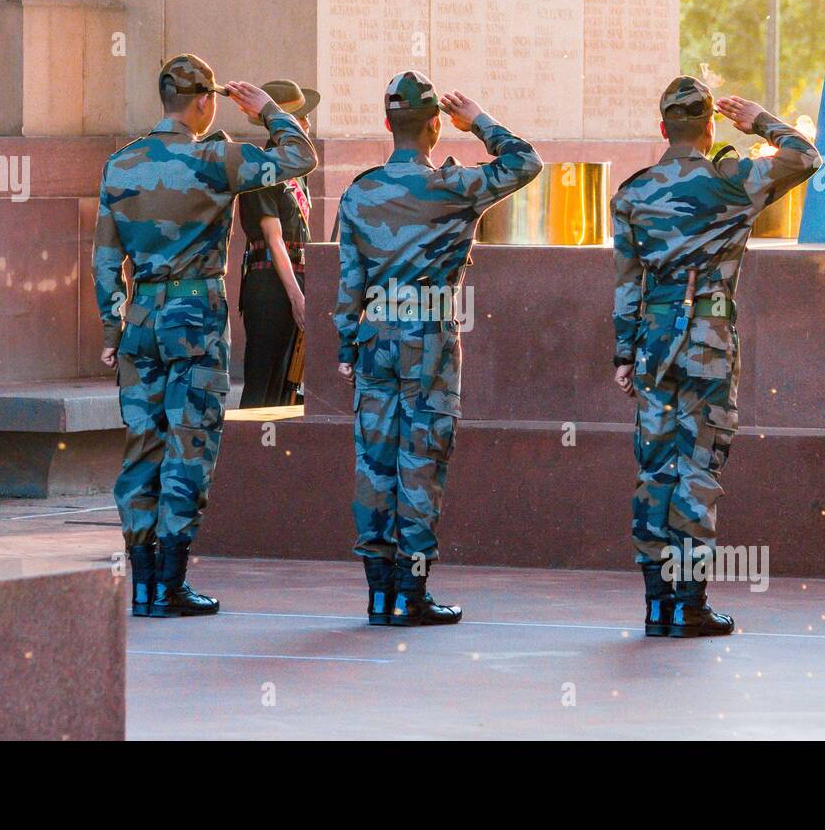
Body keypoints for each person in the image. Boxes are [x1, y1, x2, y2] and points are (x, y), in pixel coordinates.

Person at [93, 54, 317, 618]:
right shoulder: (217, 159)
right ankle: (169, 583)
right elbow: (299, 158)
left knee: (142, 445)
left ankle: (141, 584)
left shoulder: (121, 165)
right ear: (203, 102)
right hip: (194, 313)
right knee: (190, 444)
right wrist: (267, 111)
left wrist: (110, 324)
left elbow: (104, 256)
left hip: (141, 316)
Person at [611, 76, 821, 638]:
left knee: (656, 468)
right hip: (707, 336)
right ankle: (690, 604)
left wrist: (623, 353)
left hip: (653, 341)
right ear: (709, 128)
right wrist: (759, 122)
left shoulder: (632, 194)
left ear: (662, 128)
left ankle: (657, 603)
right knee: (698, 466)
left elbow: (626, 282)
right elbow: (806, 158)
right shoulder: (733, 181)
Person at [334, 71, 543, 627]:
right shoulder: (454, 188)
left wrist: (345, 343)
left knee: (374, 461)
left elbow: (349, 277)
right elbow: (525, 162)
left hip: (374, 332)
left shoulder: (360, 191)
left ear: (385, 125)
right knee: (421, 460)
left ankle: (379, 595)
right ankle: (413, 593)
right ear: (434, 127)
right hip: (427, 335)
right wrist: (478, 121)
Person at [238, 79, 318, 408]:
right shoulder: (261, 167)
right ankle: (250, 454)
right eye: (302, 116)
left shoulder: (297, 172)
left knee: (287, 383)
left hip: (294, 280)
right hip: (269, 285)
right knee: (262, 382)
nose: (308, 123)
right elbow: (274, 239)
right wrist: (297, 296)